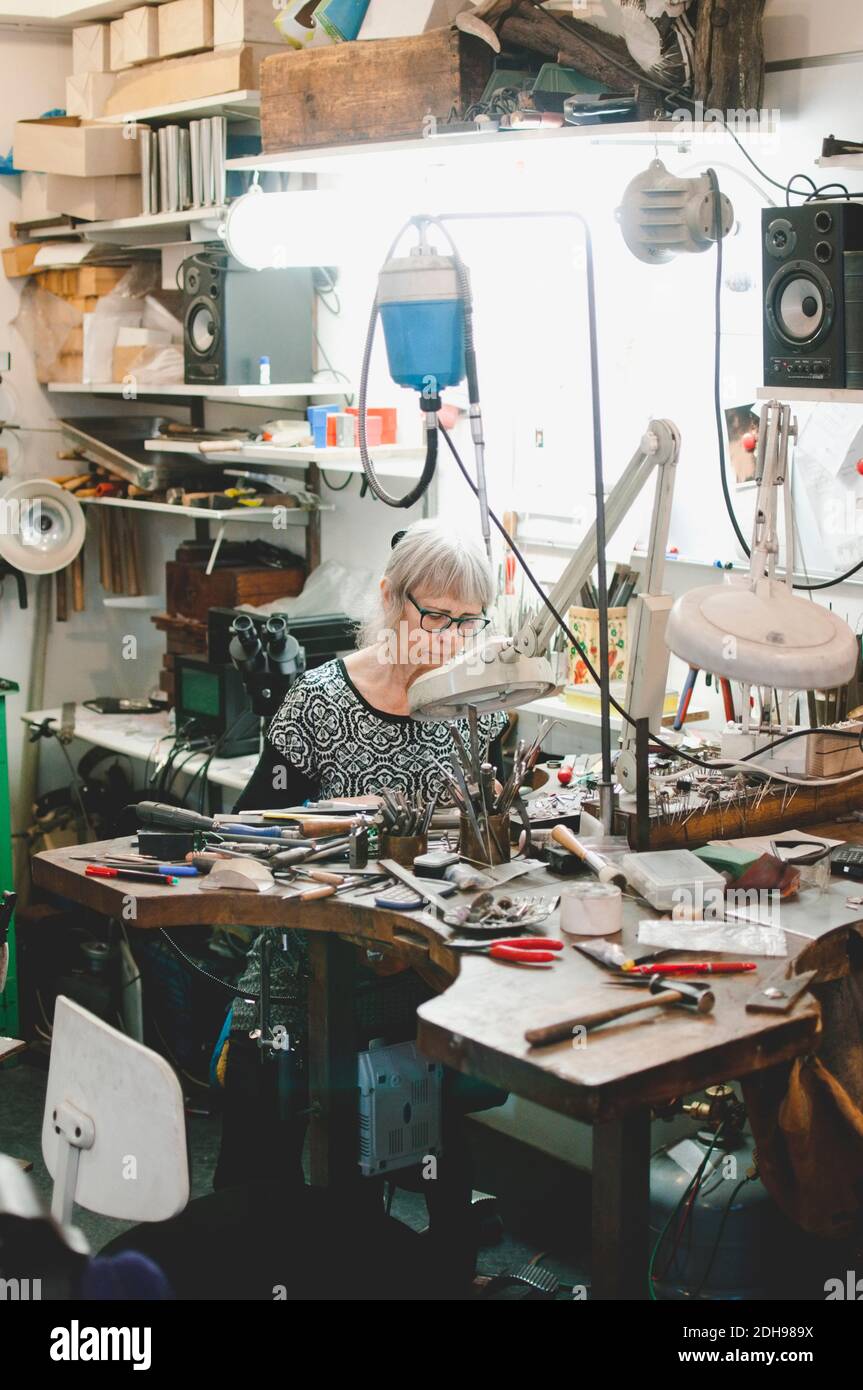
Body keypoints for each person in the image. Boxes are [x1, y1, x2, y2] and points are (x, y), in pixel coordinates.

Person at [214, 521, 508, 1277]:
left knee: (445, 1079)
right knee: (261, 1071)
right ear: (388, 598)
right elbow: (254, 834)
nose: (448, 638)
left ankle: (442, 1268)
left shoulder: (484, 706)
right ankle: (254, 1261)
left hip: (425, 956)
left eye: (467, 621)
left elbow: (497, 842)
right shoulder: (320, 702)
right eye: (434, 615)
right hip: (313, 946)